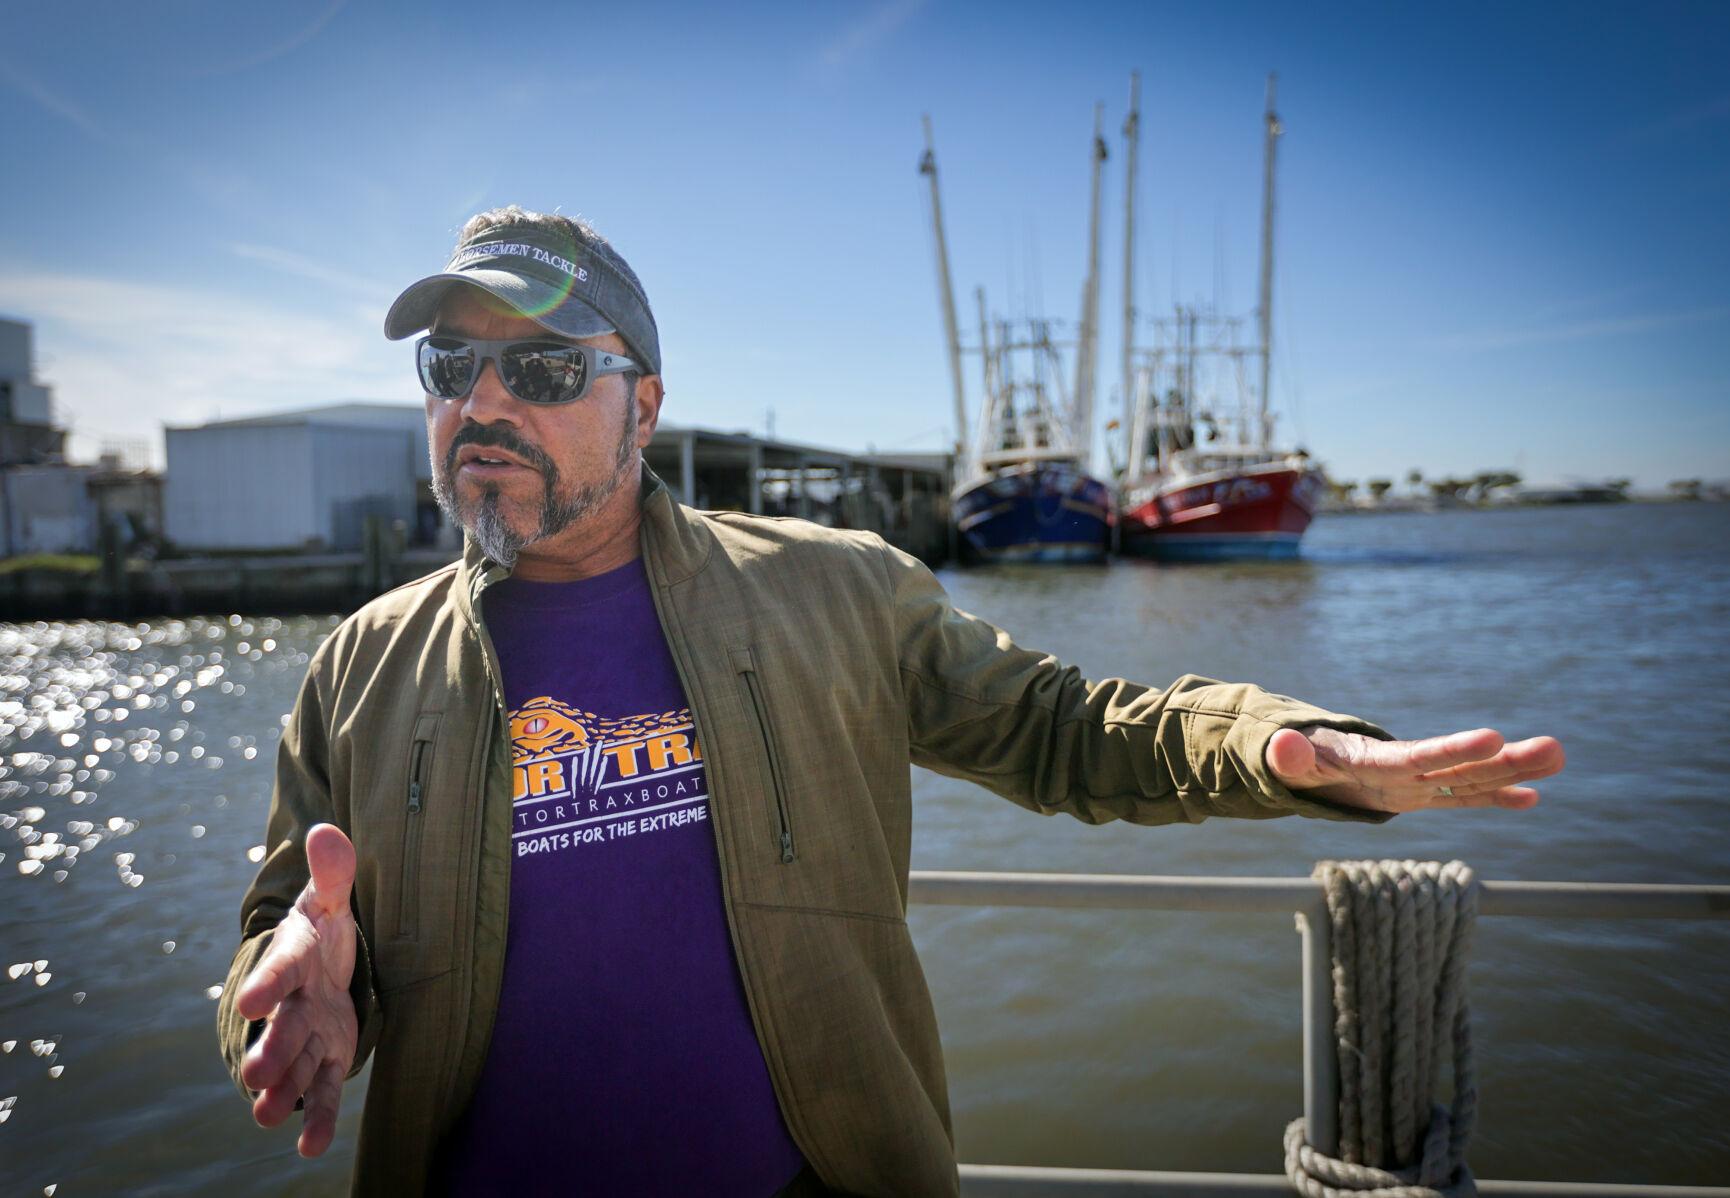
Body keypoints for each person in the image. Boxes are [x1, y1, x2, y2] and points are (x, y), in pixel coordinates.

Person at [216, 207, 1564, 1198]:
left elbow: (1061, 728)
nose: (486, 403)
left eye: (547, 369)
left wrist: (1282, 749)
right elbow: (285, 923)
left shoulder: (833, 590)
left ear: (646, 405)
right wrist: (292, 1000)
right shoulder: (362, 664)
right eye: (452, 371)